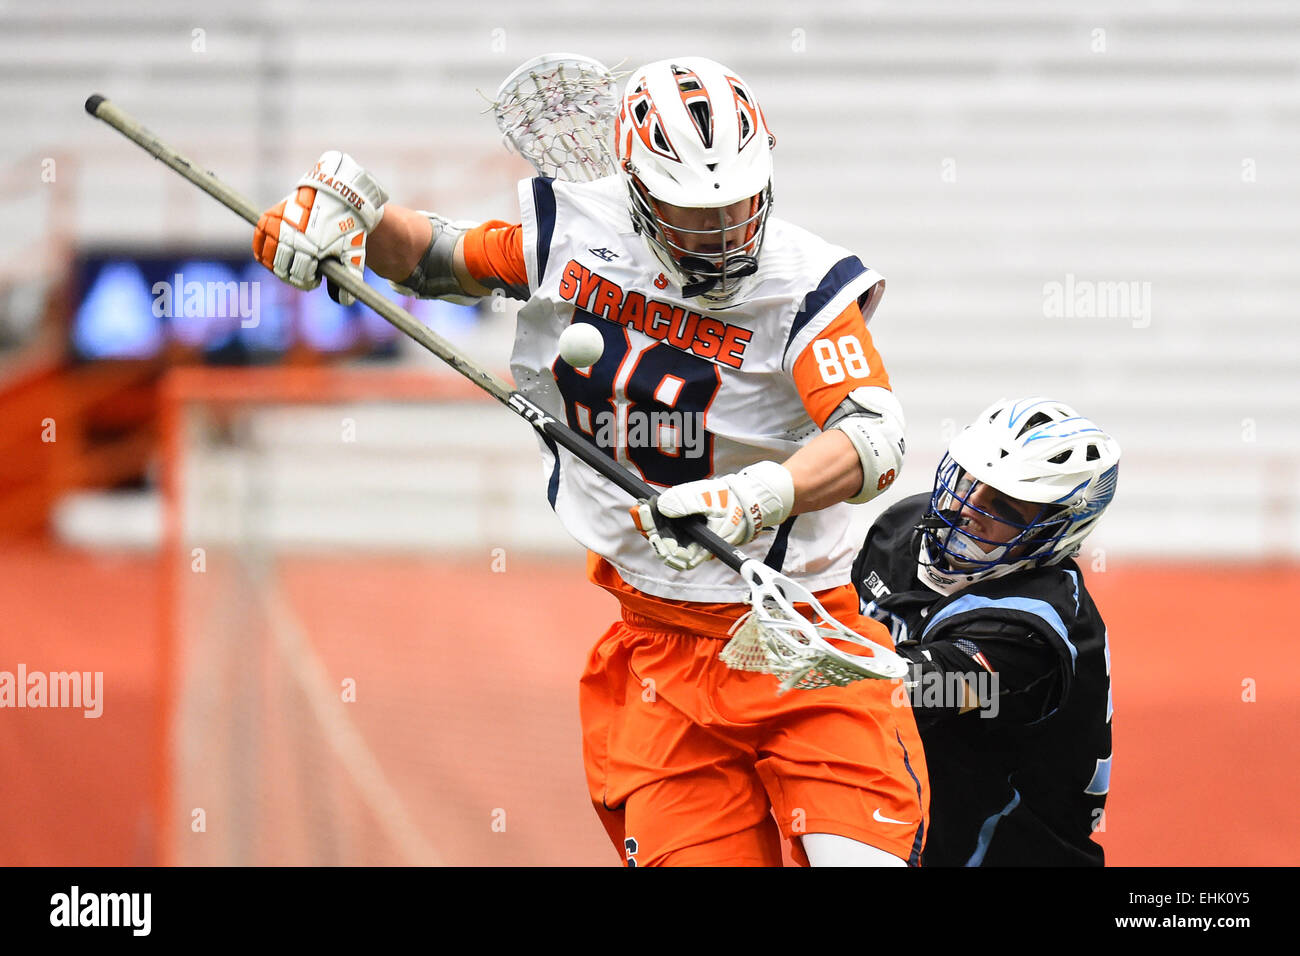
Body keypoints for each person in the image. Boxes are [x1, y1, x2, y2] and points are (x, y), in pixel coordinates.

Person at [252, 56, 927, 867]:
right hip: (658, 654)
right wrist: (350, 208)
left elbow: (876, 437)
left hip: (798, 638)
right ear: (638, 196)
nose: (722, 232)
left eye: (738, 203)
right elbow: (433, 258)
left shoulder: (802, 284)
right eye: (691, 213)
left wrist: (757, 496)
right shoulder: (578, 233)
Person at [851, 397, 1118, 866]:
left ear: (1055, 530)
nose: (968, 508)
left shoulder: (1037, 627)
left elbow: (910, 688)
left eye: (1003, 504)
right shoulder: (904, 527)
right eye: (970, 481)